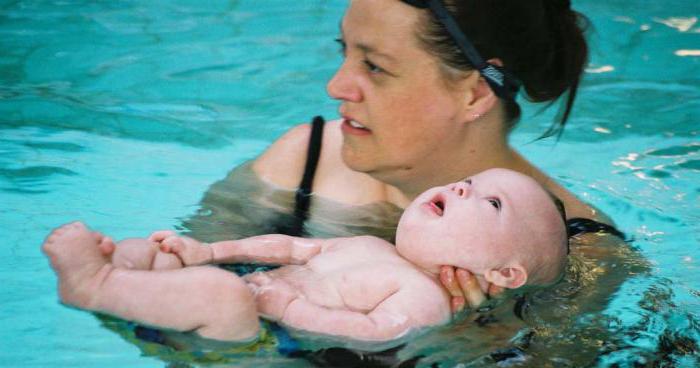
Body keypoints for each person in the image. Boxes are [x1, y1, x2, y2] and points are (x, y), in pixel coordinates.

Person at [186, 0, 627, 315]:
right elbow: (181, 272)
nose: (337, 86)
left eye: (375, 66)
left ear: (473, 93)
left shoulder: (579, 249)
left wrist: (476, 332)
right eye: (345, 52)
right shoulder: (305, 160)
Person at [42, 169, 568, 343]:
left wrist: (289, 311)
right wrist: (210, 250)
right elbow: (291, 248)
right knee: (151, 251)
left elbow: (372, 331)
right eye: (468, 183)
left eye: (490, 203)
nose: (460, 189)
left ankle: (93, 286)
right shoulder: (373, 246)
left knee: (221, 294)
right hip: (228, 302)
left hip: (252, 339)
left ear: (503, 274)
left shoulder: (427, 300)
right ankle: (124, 276)